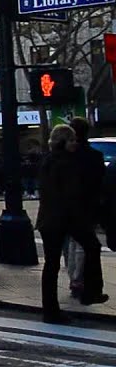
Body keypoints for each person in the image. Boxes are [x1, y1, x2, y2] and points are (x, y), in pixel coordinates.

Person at [38, 124, 108, 325]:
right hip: (66, 218)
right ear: (63, 142)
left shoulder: (48, 160)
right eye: (71, 140)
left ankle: (50, 310)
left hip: (49, 218)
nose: (75, 144)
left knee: (51, 264)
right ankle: (90, 291)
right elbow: (72, 194)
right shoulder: (67, 163)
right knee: (92, 247)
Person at [65, 117, 107, 299]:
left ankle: (74, 278)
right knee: (84, 244)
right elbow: (100, 182)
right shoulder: (94, 156)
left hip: (69, 205)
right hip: (88, 205)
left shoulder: (67, 155)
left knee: (72, 244)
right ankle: (79, 280)